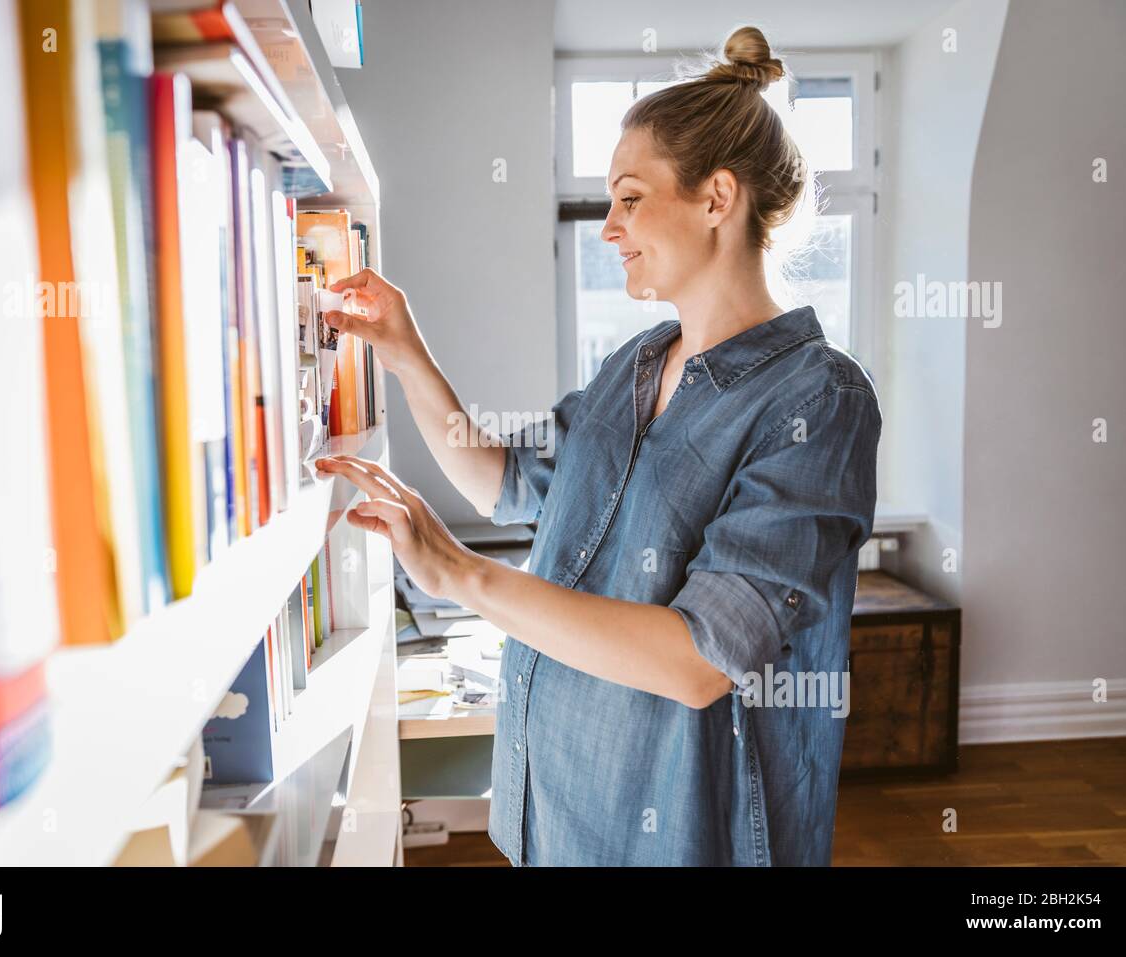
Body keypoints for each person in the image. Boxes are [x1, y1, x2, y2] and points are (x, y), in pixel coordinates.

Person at [316, 25, 882, 866]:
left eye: (629, 197)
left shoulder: (819, 399)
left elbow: (701, 659)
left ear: (716, 198)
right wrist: (402, 349)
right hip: (555, 812)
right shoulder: (637, 362)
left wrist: (462, 572)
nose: (609, 227)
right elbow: (502, 481)